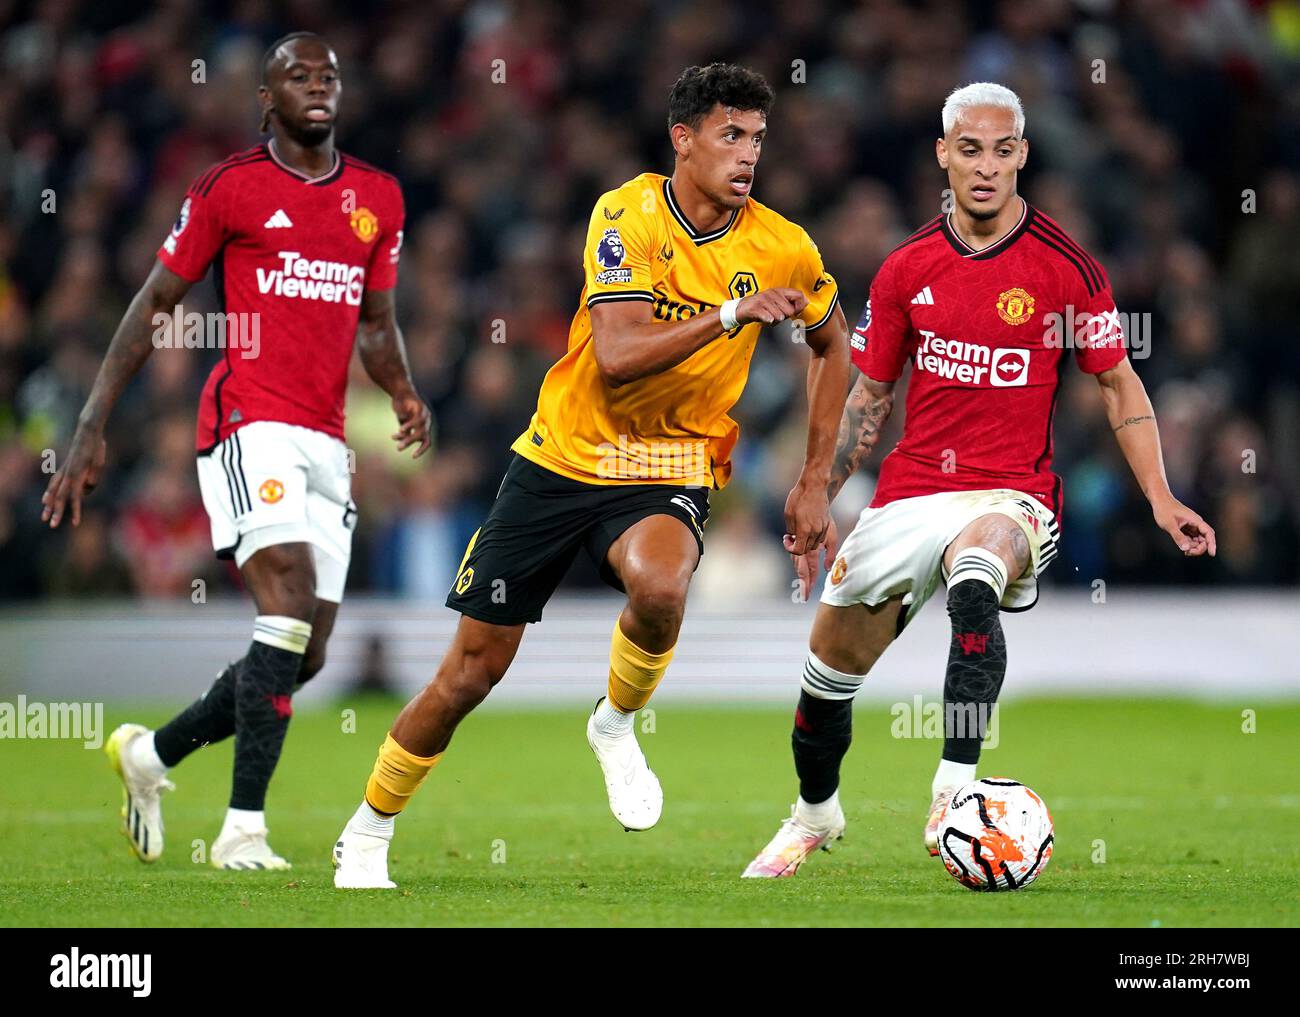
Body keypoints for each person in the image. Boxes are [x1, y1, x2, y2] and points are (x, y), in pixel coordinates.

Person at [331, 63, 850, 889]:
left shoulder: (783, 243)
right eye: (730, 136)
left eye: (756, 138)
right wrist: (728, 315)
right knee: (471, 672)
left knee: (662, 586)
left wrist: (815, 475)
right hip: (564, 454)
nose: (748, 154)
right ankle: (367, 827)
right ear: (683, 140)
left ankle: (615, 720)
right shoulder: (628, 212)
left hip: (672, 458)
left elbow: (835, 342)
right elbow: (615, 357)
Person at [743, 81, 1216, 878]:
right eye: (970, 149)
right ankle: (814, 814)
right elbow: (870, 392)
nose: (987, 166)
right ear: (944, 155)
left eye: (1002, 150)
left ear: (1023, 155)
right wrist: (818, 485)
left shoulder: (1068, 270)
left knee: (975, 579)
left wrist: (1161, 496)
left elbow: (1118, 384)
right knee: (825, 682)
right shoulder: (906, 268)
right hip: (909, 493)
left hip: (1012, 496)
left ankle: (954, 790)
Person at [41, 32, 429, 870]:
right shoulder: (230, 189)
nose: (319, 85)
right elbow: (153, 303)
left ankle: (149, 756)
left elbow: (376, 319)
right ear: (267, 99)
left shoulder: (378, 197)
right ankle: (241, 830)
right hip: (248, 419)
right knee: (285, 599)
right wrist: (89, 425)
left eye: (330, 74)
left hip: (328, 436)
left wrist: (401, 390)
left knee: (305, 649)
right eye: (299, 75)